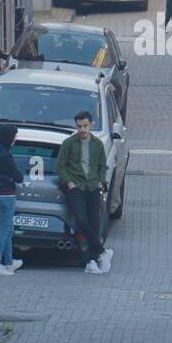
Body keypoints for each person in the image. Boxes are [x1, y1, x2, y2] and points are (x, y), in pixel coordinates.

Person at [57, 110, 112, 274]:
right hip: (76, 188)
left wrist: (101, 181)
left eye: (85, 126)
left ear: (92, 125)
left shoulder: (97, 144)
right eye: (79, 126)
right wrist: (69, 182)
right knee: (81, 220)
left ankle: (91, 262)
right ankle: (103, 253)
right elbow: (61, 165)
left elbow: (103, 165)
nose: (82, 130)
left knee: (94, 224)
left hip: (93, 187)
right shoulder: (69, 143)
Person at [0, 124, 25, 276]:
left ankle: (9, 262)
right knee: (3, 230)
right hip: (7, 195)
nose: (15, 139)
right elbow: (18, 176)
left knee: (7, 229)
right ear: (8, 137)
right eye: (14, 136)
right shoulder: (5, 156)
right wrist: (18, 176)